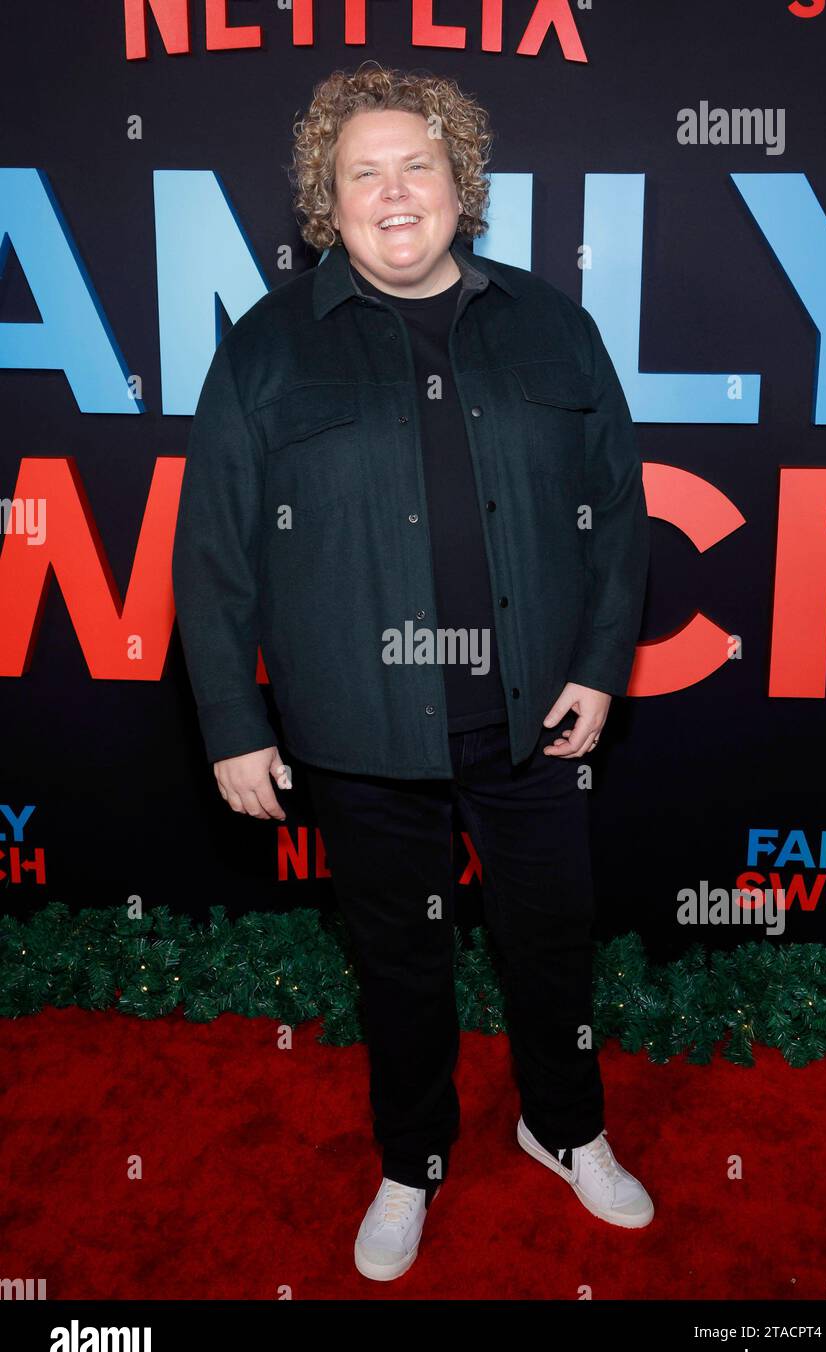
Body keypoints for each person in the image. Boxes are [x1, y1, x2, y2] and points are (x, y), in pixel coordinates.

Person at [172, 61, 653, 1284]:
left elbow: (618, 510)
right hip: (356, 723)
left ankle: (564, 1128)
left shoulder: (551, 323)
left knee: (549, 939)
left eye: (417, 166)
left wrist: (601, 667)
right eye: (362, 173)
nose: (395, 193)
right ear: (327, 202)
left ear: (460, 182)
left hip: (534, 715)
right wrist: (234, 722)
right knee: (398, 956)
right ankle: (412, 1161)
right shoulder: (267, 349)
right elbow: (213, 552)